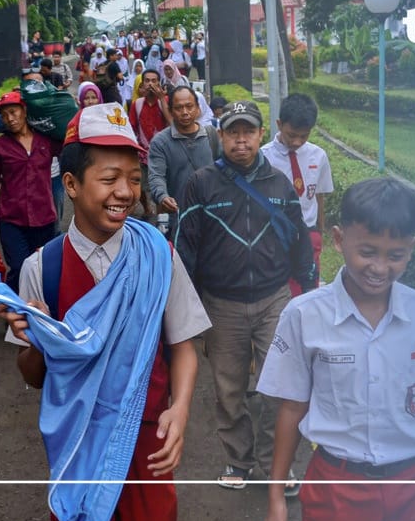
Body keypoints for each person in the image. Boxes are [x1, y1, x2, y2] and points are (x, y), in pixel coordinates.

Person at [0, 102, 211, 521]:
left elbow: (182, 345)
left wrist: (181, 409)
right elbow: (35, 376)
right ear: (71, 184)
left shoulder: (157, 256)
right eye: (109, 179)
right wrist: (36, 338)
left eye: (133, 179)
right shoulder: (42, 267)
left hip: (147, 438)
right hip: (78, 444)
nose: (126, 192)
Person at [259, 177, 415, 521]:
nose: (380, 268)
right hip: (336, 490)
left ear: (411, 248)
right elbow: (292, 408)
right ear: (338, 239)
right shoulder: (304, 316)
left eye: (395, 255)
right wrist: (276, 495)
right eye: (367, 252)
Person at [174, 99, 316, 492]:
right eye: (233, 132)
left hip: (275, 302)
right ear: (220, 136)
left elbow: (301, 243)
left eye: (248, 132)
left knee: (278, 387)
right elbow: (184, 247)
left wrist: (309, 291)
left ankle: (277, 464)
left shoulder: (279, 184)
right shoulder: (200, 183)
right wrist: (181, 308)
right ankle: (239, 462)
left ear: (259, 135)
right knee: (229, 390)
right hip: (222, 306)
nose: (241, 140)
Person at [0, 92, 63, 293]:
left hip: (44, 218)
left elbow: (69, 144)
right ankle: (15, 312)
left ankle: (41, 311)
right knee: (20, 266)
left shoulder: (45, 141)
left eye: (13, 112)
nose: (10, 118)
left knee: (42, 268)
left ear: (24, 111)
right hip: (12, 220)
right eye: (5, 115)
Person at [261, 93, 334, 296]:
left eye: (304, 136)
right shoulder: (264, 158)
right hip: (275, 236)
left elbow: (319, 195)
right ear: (279, 124)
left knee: (308, 291)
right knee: (280, 292)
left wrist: (319, 231)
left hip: (308, 234)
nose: (297, 141)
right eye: (291, 135)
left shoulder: (318, 156)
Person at [147, 85, 219, 217]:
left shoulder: (211, 135)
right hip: (178, 216)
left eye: (189, 106)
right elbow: (156, 176)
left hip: (212, 214)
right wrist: (163, 196)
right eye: (179, 108)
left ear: (198, 108)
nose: (185, 112)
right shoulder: (160, 142)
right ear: (171, 111)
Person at [128, 68, 170, 219]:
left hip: (162, 153)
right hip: (142, 154)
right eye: (147, 80)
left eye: (154, 80)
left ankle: (161, 219)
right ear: (142, 84)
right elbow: (132, 128)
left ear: (159, 83)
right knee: (139, 185)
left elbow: (172, 123)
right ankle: (146, 208)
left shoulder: (166, 102)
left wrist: (162, 99)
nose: (150, 84)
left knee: (160, 187)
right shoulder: (136, 104)